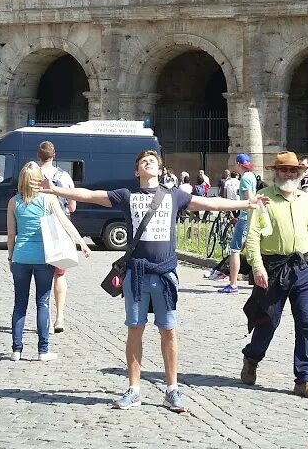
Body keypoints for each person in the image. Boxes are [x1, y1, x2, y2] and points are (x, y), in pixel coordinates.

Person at [45, 150, 263, 412]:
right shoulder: (127, 196)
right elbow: (90, 195)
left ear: (160, 170)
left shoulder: (175, 196)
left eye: (153, 162)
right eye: (143, 162)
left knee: (168, 331)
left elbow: (212, 204)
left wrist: (245, 205)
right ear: (137, 171)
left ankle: (172, 390)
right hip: (136, 274)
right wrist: (56, 191)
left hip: (165, 273)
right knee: (135, 330)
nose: (148, 164)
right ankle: (134, 389)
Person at [240, 152, 308, 398]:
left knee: (306, 322)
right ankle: (252, 357)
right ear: (275, 172)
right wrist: (257, 267)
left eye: (292, 171)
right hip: (273, 268)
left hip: (303, 268)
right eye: (283, 170)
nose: (288, 174)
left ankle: (304, 378)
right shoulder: (263, 199)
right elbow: (253, 236)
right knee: (268, 320)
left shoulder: (303, 200)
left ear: (298, 173)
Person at [7, 162, 90, 361]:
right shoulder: (48, 199)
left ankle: (16, 350)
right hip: (44, 257)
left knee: (19, 304)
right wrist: (81, 243)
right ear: (38, 180)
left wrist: (11, 257)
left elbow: (11, 235)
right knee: (42, 303)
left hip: (20, 256)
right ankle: (43, 350)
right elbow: (65, 222)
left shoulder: (13, 202)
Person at [37, 141, 77, 332]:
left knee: (40, 274)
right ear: (54, 155)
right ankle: (59, 317)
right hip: (59, 228)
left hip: (38, 228)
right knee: (59, 274)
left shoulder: (30, 174)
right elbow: (72, 206)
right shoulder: (64, 176)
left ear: (39, 155)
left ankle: (42, 318)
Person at [221, 154, 260, 295]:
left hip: (244, 217)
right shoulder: (252, 176)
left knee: (235, 250)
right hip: (252, 217)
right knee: (253, 249)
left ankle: (233, 284)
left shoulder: (244, 179)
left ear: (238, 164)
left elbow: (249, 199)